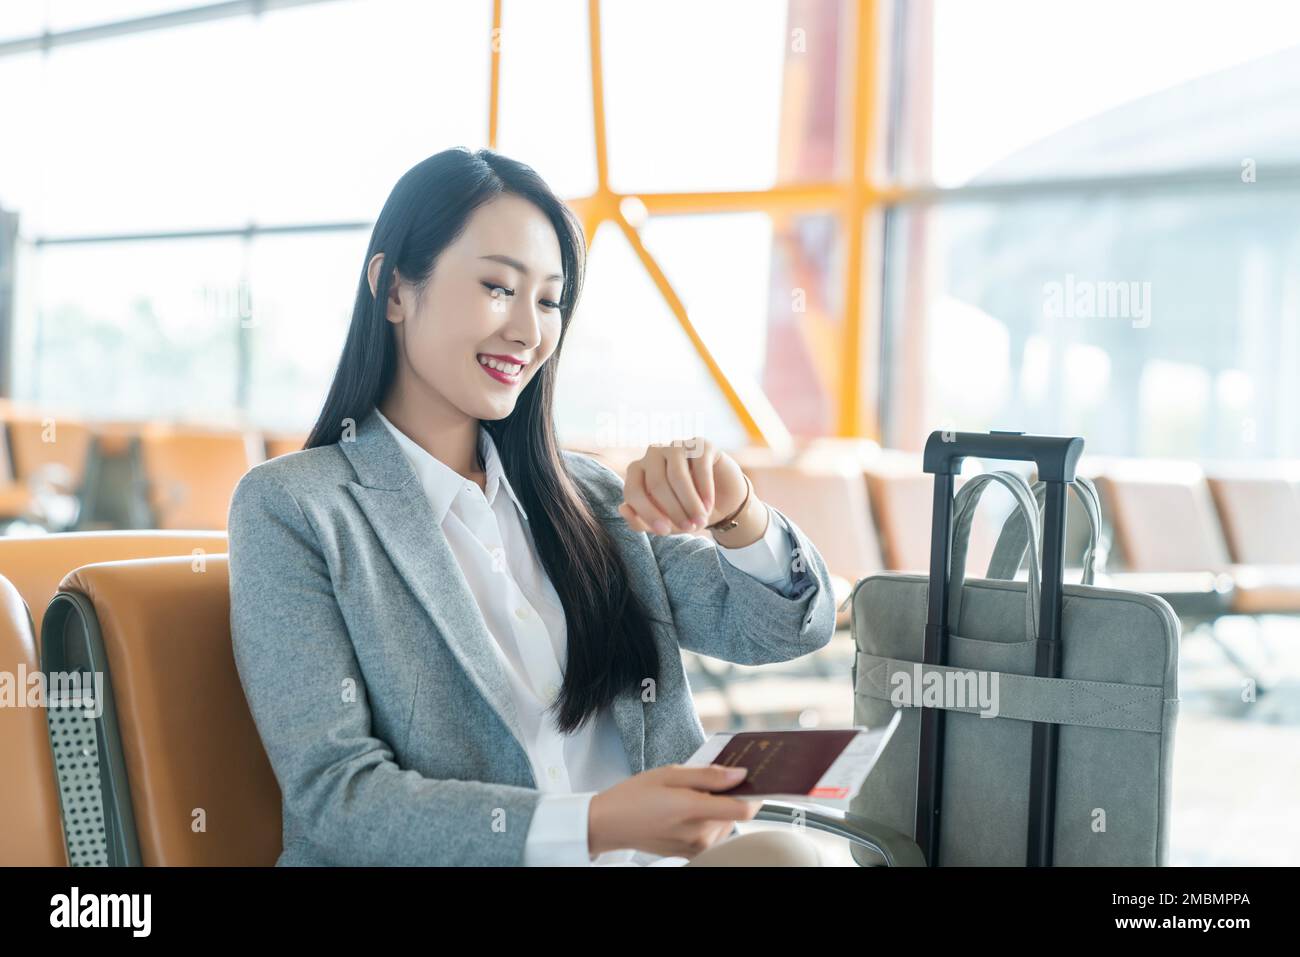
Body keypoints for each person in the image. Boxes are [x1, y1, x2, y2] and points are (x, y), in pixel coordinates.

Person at [227, 147, 837, 866]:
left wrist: (736, 509)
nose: (528, 330)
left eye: (549, 300)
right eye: (497, 287)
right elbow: (340, 799)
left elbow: (781, 630)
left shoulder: (591, 499)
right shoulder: (294, 508)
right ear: (393, 289)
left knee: (800, 856)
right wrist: (595, 824)